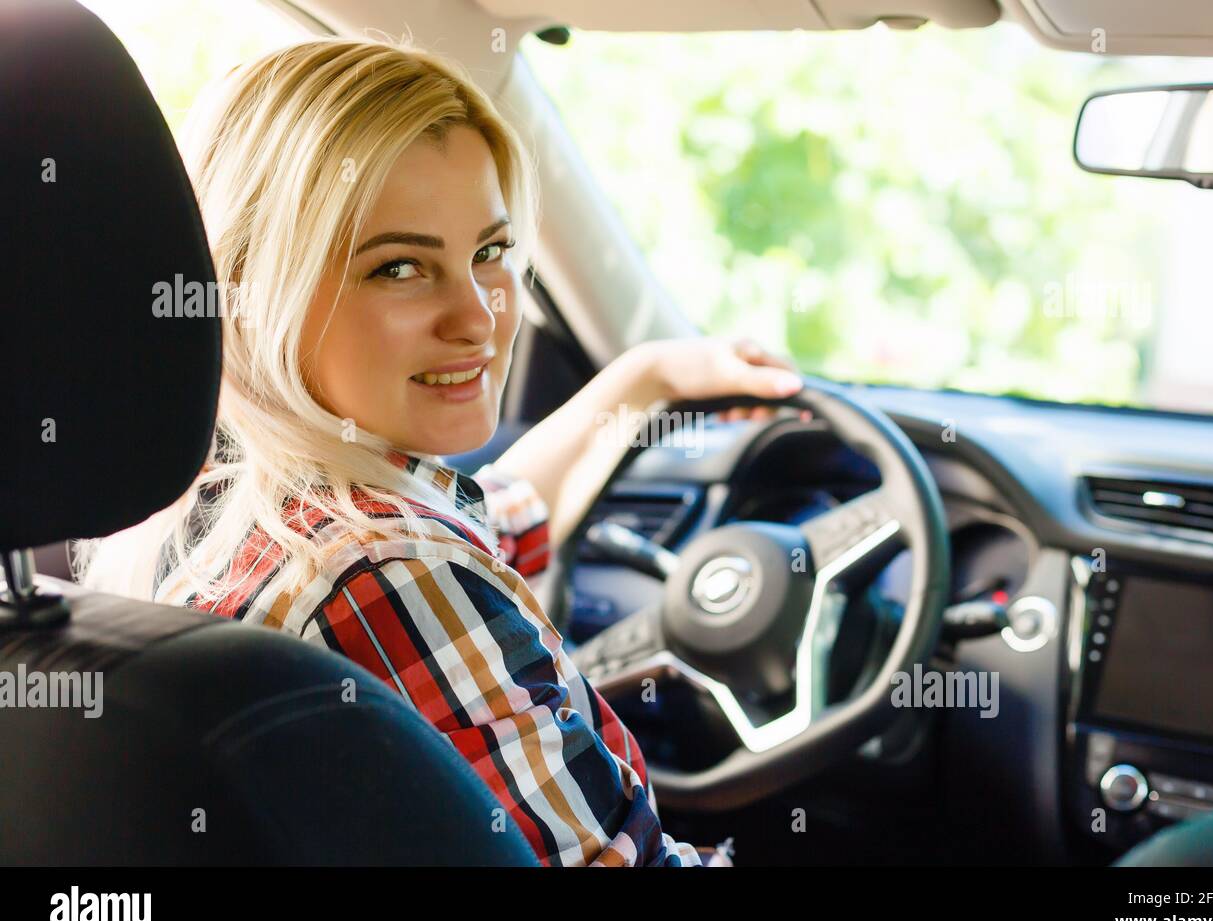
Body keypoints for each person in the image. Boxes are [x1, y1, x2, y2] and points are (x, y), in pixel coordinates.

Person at [77, 37, 803, 866]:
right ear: (254, 286)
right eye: (399, 268)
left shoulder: (223, 516)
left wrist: (645, 380)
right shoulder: (388, 570)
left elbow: (493, 518)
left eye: (490, 253)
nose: (483, 316)